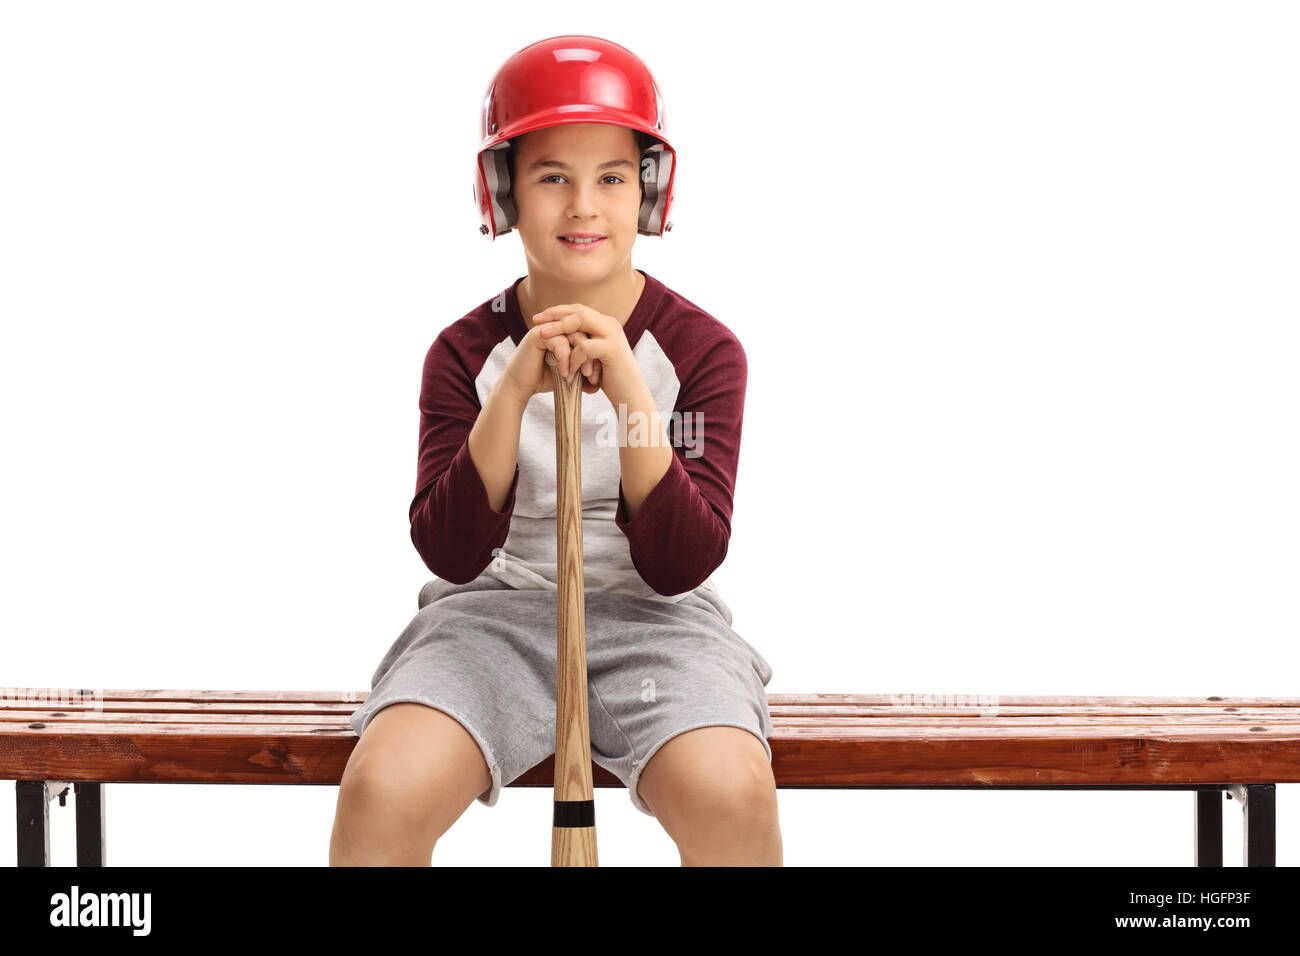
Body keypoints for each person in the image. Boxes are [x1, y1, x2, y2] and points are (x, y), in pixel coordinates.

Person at [329, 35, 780, 866]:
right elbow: (452, 551)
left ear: (647, 192)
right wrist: (511, 395)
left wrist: (632, 396)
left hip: (659, 629)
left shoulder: (704, 351)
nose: (583, 205)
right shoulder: (464, 354)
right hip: (491, 627)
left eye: (611, 177)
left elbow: (683, 561)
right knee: (381, 789)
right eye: (551, 177)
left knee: (733, 792)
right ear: (502, 192)